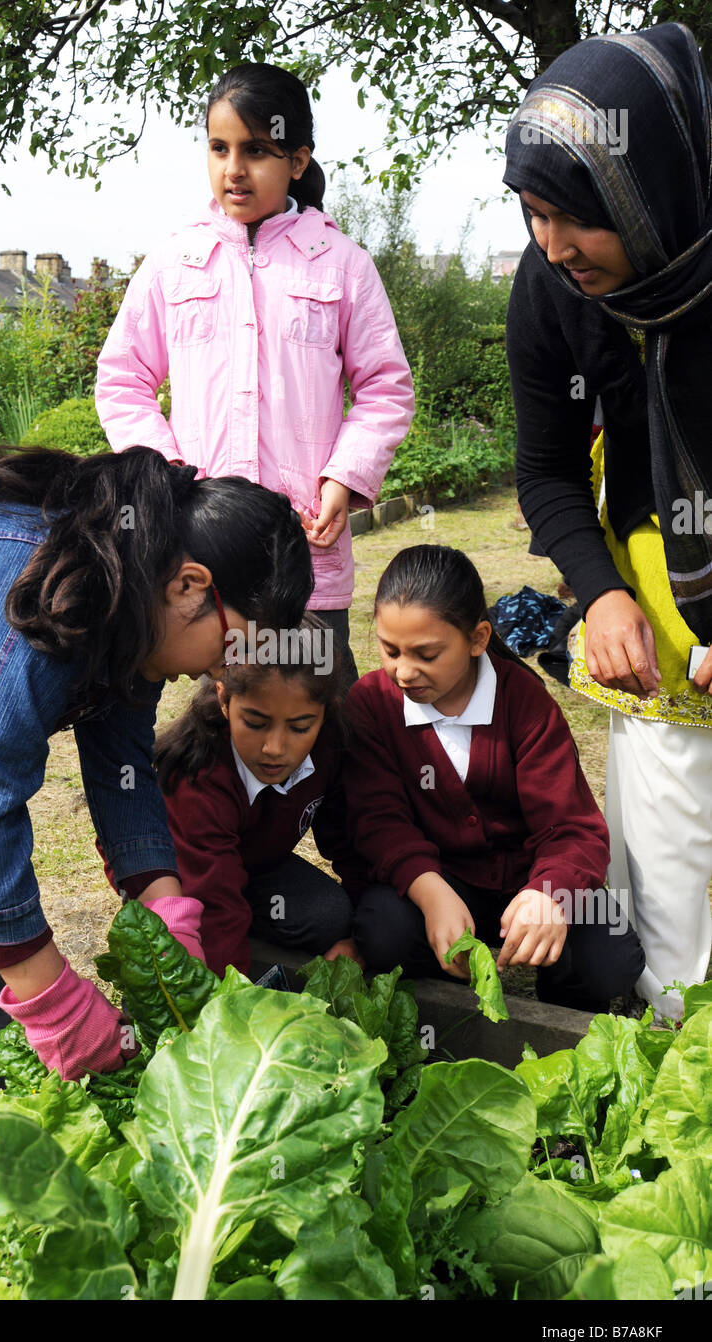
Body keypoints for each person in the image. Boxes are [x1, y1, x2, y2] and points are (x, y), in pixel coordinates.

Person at [0, 443, 311, 1231]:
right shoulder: (45, 571)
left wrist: (166, 906)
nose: (223, 678)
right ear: (192, 586)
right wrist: (56, 998)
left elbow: (123, 763)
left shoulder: (138, 586)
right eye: (235, 647)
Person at [503, 21, 712, 1018]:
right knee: (669, 928)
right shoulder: (549, 288)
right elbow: (544, 473)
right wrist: (600, 598)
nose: (552, 246)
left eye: (572, 218)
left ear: (644, 189)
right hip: (657, 622)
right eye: (532, 215)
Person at [95, 61, 415, 684]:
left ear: (298, 160)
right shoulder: (173, 264)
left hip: (306, 554)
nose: (233, 169)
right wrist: (170, 478)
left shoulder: (342, 265)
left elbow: (384, 387)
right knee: (222, 725)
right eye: (219, 148)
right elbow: (122, 380)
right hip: (200, 554)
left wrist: (344, 478)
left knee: (321, 720)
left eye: (256, 151)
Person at [343, 545, 645, 1013]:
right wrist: (431, 893)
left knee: (611, 959)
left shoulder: (523, 699)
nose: (403, 671)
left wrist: (549, 895)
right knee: (384, 930)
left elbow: (572, 827)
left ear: (478, 638)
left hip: (526, 879)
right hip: (439, 879)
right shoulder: (371, 704)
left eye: (426, 654)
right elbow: (378, 823)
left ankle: (559, 1005)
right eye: (390, 650)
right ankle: (444, 998)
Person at [100, 616, 366, 977]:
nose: (275, 748)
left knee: (329, 915)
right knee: (185, 946)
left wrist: (363, 935)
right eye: (255, 723)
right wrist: (231, 1003)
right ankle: (162, 924)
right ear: (224, 700)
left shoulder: (331, 741)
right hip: (178, 867)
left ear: (324, 713)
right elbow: (215, 901)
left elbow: (346, 838)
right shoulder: (198, 778)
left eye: (300, 727)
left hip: (249, 861)